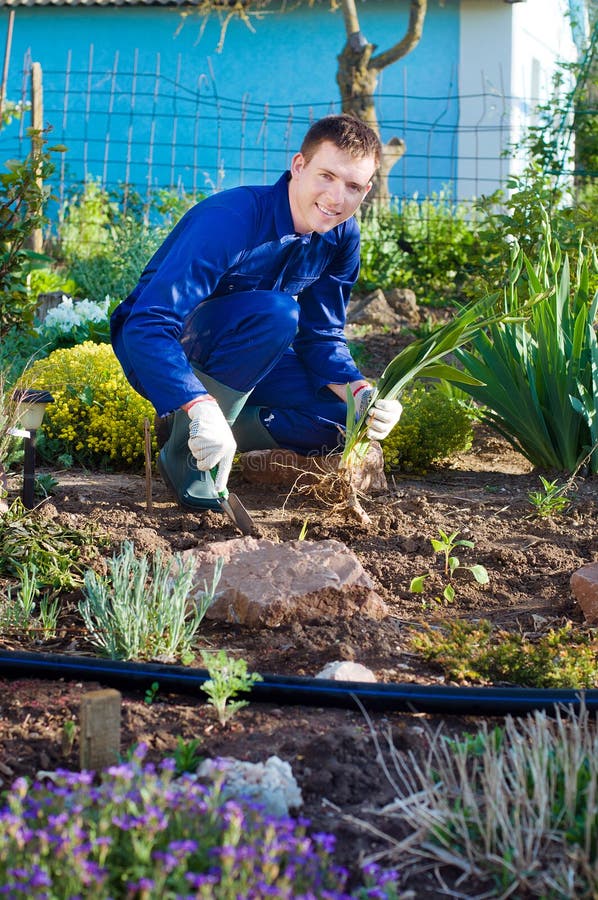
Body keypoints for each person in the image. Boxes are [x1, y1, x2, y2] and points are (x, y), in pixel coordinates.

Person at [110, 114, 402, 512]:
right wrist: (197, 403)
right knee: (277, 312)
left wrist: (362, 396)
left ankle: (190, 431)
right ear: (299, 166)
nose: (337, 198)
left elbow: (321, 335)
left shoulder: (341, 236)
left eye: (352, 186)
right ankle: (187, 455)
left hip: (251, 357)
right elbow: (147, 324)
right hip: (165, 353)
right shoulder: (231, 219)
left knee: (341, 420)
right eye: (326, 176)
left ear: (366, 190)